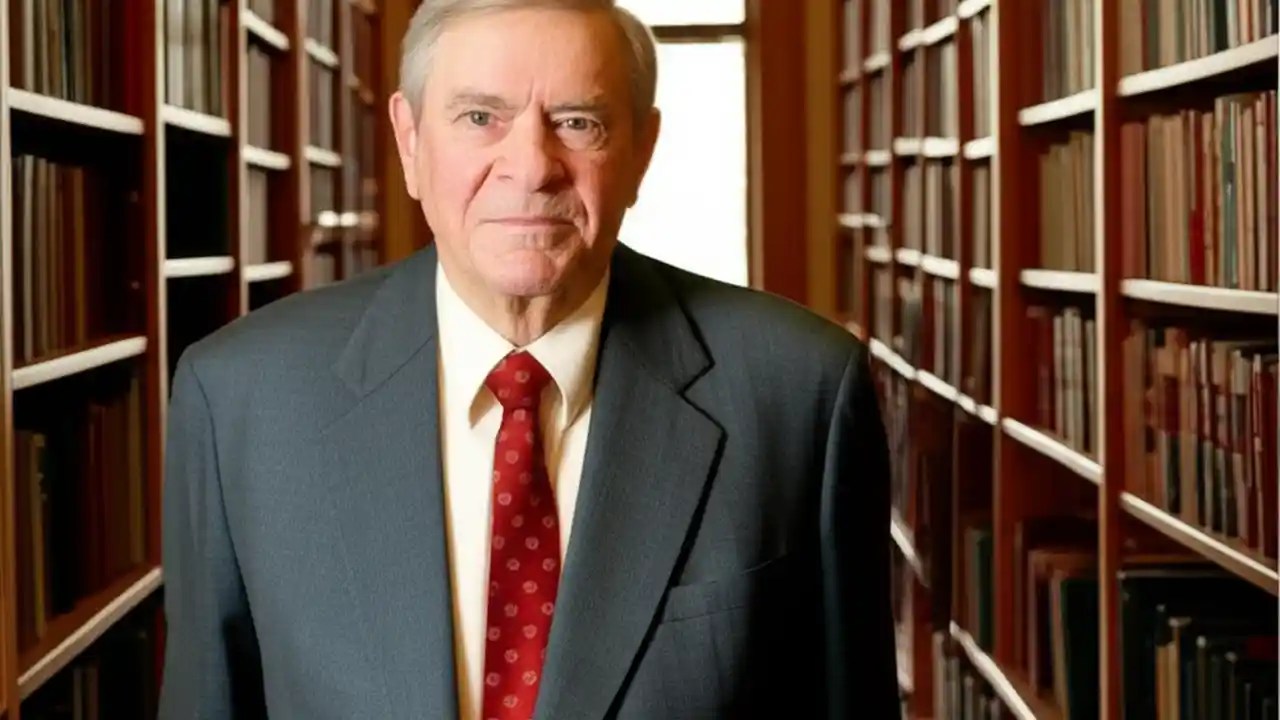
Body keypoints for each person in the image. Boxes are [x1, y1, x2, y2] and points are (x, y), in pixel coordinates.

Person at [157, 1, 899, 718]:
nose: (532, 166)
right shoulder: (239, 401)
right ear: (411, 143)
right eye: (481, 118)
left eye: (578, 122)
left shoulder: (801, 394)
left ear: (642, 150)